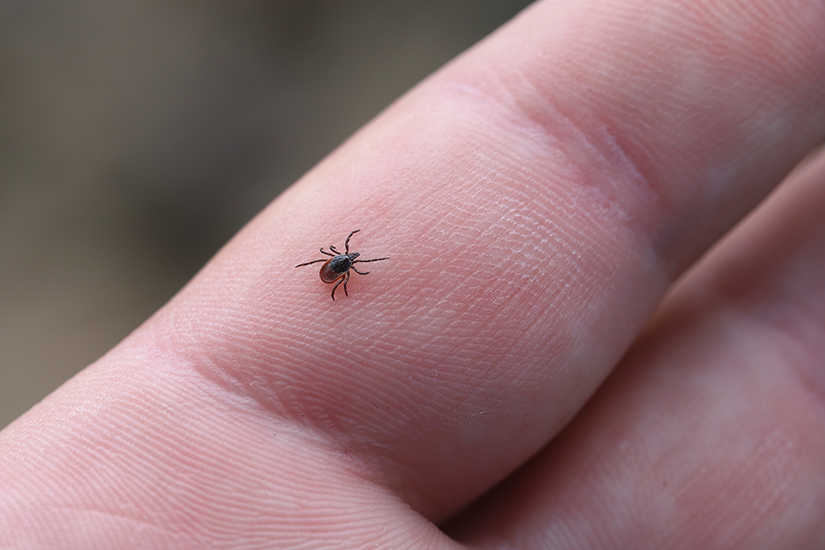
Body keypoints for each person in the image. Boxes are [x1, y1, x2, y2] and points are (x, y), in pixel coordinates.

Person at [2, 0, 824, 547]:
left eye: (344, 261)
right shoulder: (343, 265)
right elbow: (333, 264)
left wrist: (333, 266)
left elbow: (332, 262)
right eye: (343, 261)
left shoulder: (341, 262)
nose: (344, 263)